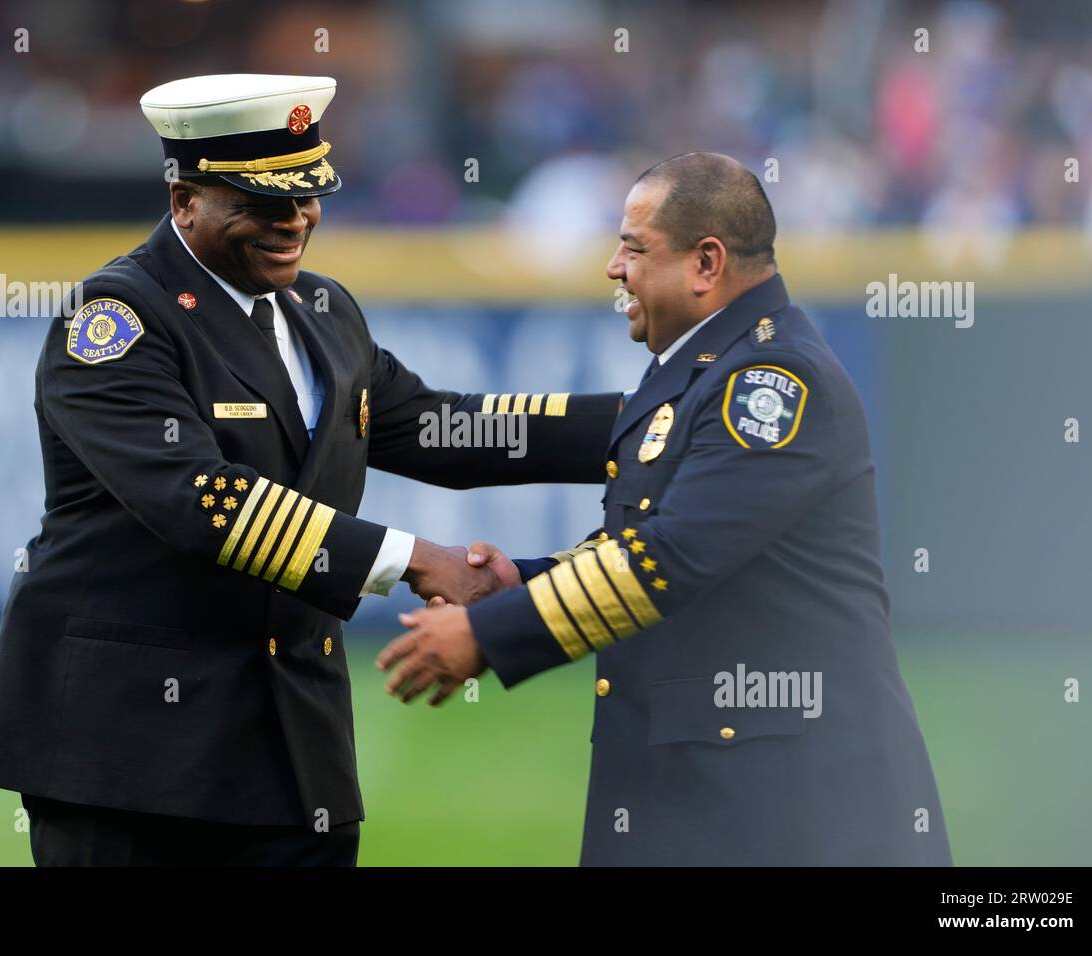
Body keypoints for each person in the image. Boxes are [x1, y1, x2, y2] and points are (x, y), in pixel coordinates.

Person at [0, 74, 621, 866]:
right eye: (261, 201)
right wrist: (418, 561)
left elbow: (440, 427)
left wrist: (659, 415)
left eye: (308, 194)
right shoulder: (114, 321)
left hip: (292, 753)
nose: (294, 220)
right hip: (129, 761)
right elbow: (205, 502)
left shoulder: (321, 309)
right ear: (184, 200)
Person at [378, 152, 953, 866]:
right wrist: (524, 581)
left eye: (634, 247)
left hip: (788, 814)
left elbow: (673, 557)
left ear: (706, 263)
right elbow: (636, 537)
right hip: (709, 799)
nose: (615, 268)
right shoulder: (701, 371)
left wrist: (488, 635)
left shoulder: (771, 384)